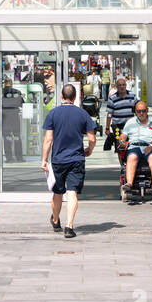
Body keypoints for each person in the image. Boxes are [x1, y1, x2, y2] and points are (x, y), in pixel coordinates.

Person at [42, 83, 95, 239]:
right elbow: (92, 138)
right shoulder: (83, 114)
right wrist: (89, 149)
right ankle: (69, 226)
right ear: (75, 97)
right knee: (72, 193)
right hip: (77, 159)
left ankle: (56, 220)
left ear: (61, 96)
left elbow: (48, 139)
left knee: (58, 192)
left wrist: (44, 160)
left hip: (58, 159)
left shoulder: (53, 114)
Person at [121, 100, 152, 194]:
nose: (141, 113)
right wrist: (122, 141)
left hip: (150, 146)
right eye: (139, 111)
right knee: (132, 156)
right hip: (134, 146)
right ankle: (129, 183)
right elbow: (123, 135)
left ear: (147, 110)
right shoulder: (130, 122)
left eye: (143, 111)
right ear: (135, 112)